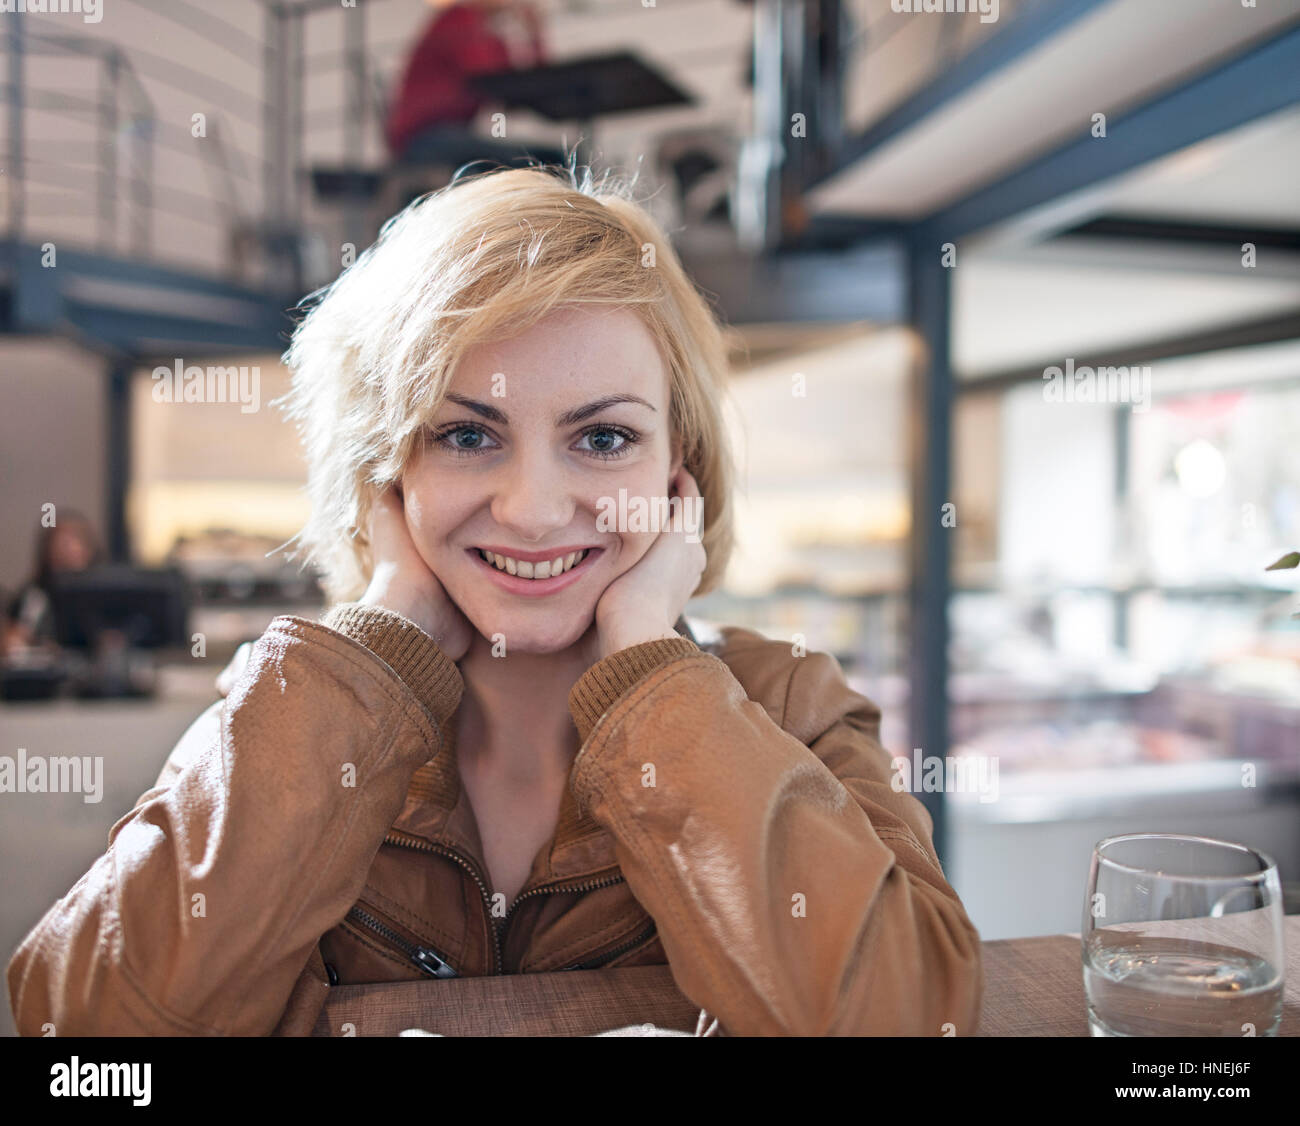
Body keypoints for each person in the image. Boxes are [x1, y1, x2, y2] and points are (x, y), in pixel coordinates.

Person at [6, 165, 983, 1036]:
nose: (532, 509)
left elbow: (908, 1016)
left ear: (679, 472)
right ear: (385, 474)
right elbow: (84, 1028)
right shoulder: (295, 717)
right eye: (467, 436)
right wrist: (389, 633)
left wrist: (646, 663)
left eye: (601, 439)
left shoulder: (791, 704)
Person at [385, 0, 552, 168]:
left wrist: (532, 34)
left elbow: (519, 86)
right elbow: (490, 76)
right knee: (529, 161)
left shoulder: (488, 34)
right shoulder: (459, 18)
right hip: (423, 136)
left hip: (449, 132)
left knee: (543, 157)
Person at [2, 511, 102, 659]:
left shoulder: (102, 594)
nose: (65, 550)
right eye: (59, 542)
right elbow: (15, 640)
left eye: (73, 540)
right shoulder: (35, 595)